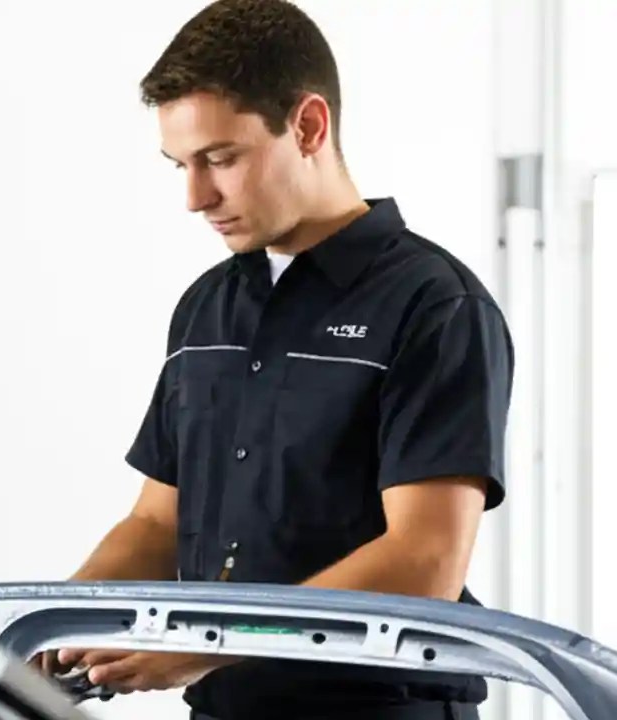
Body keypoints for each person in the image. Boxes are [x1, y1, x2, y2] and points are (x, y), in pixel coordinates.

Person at [35, 1, 514, 718]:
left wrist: (207, 637)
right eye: (181, 166)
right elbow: (157, 526)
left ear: (310, 126)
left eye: (221, 159)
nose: (196, 197)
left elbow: (426, 563)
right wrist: (54, 627)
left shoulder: (434, 308)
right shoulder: (206, 309)